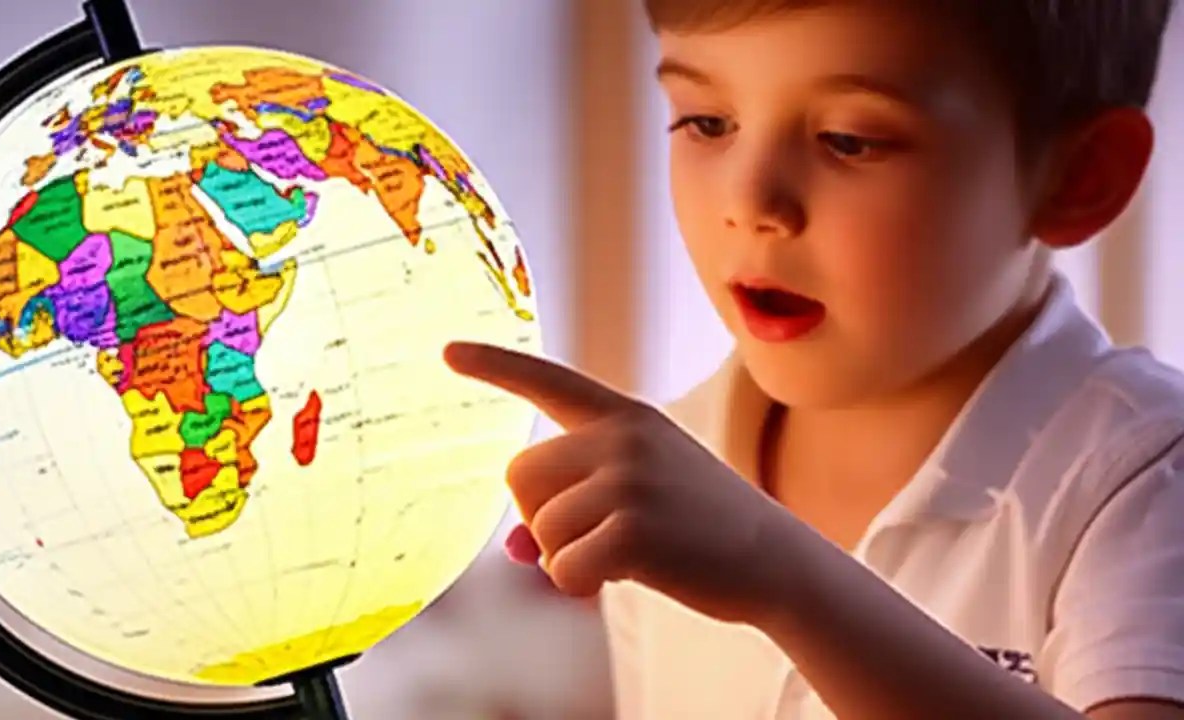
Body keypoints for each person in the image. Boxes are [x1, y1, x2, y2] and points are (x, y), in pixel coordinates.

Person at [444, 0, 1184, 717]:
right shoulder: (670, 477)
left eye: (849, 139)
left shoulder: (1142, 477)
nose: (752, 198)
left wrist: (780, 572)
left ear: (1079, 177)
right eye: (707, 122)